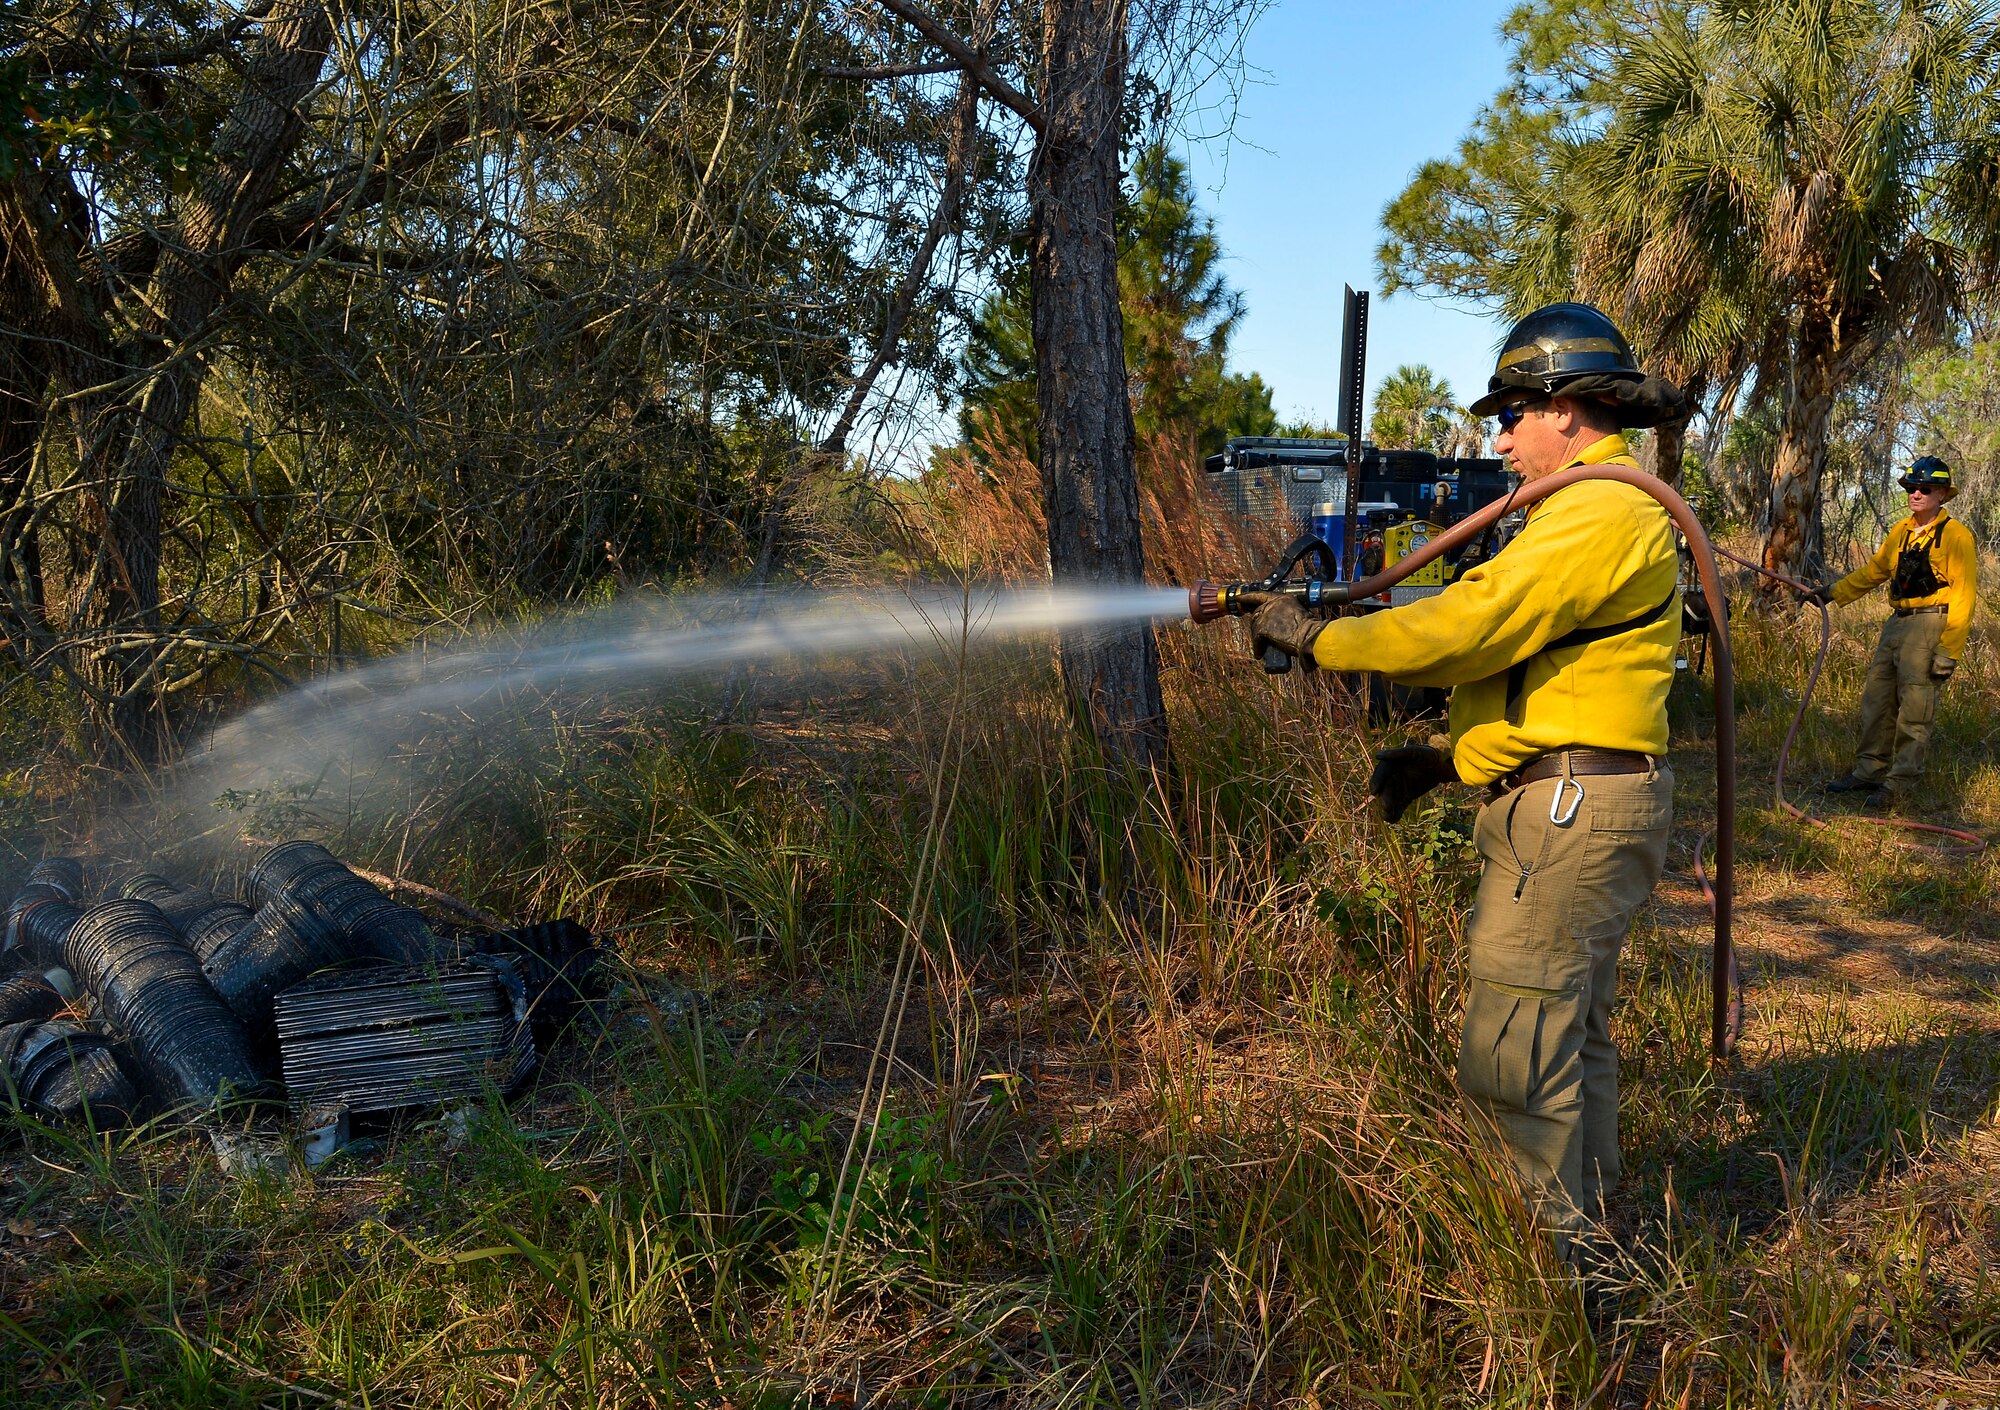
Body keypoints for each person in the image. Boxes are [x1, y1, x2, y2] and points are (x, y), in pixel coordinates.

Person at [1247, 302, 1684, 1262]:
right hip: (1576, 797)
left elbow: (1472, 624)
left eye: (1514, 411)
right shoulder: (1595, 509)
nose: (1501, 435)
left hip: (1569, 814)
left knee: (1515, 1057)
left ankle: (1540, 1284)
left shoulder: (1602, 507)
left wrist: (1324, 639)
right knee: (1573, 1039)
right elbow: (1563, 680)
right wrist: (1447, 763)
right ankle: (1597, 1255)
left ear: (1568, 410)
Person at [1809, 456, 1978, 812]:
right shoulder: (1901, 530)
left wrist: (1949, 651)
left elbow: (1964, 595)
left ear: (1942, 494)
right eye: (1911, 487)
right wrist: (1832, 592)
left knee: (1915, 707)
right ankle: (1868, 772)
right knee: (1877, 700)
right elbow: (1875, 571)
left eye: (1925, 488)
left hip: (1930, 624)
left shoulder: (1956, 536)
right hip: (1896, 623)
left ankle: (1898, 783)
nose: (1916, 493)